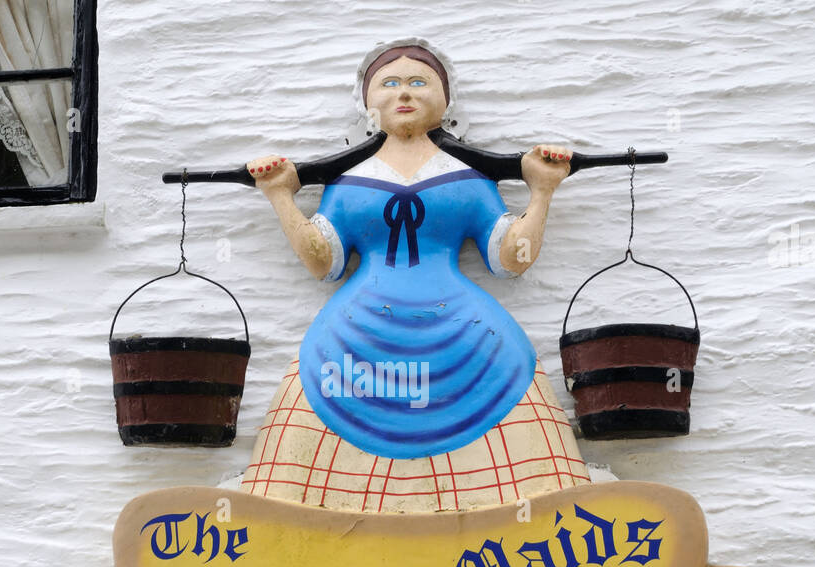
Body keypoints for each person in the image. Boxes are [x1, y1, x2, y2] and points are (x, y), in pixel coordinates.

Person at [239, 39, 591, 512]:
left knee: (516, 426)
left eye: (419, 82)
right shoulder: (350, 181)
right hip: (355, 337)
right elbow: (324, 263)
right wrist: (280, 196)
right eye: (389, 83)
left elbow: (510, 259)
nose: (404, 93)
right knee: (314, 413)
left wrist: (542, 191)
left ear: (445, 100)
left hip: (466, 335)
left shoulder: (466, 178)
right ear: (368, 102)